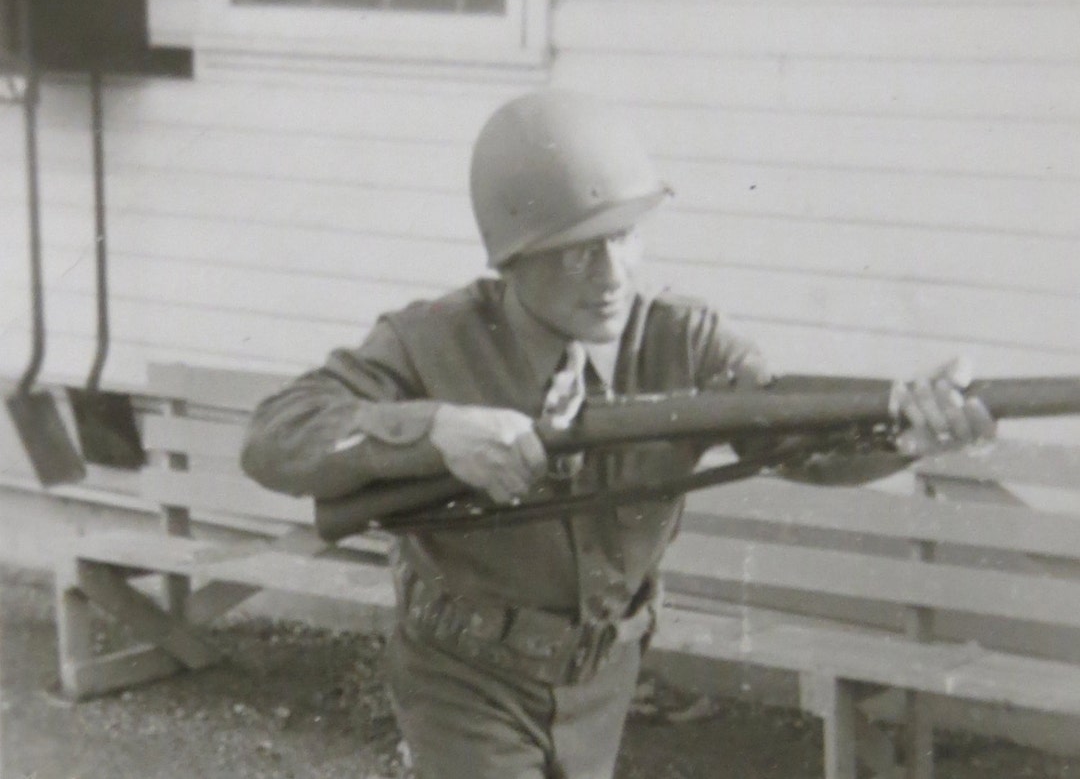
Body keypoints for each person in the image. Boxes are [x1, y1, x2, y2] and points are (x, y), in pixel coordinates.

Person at [240, 89, 996, 779]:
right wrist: (437, 430)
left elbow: (785, 434)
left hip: (600, 682)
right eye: (579, 249)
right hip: (463, 680)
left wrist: (909, 431)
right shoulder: (434, 340)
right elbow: (276, 434)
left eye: (625, 236)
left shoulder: (682, 340)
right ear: (513, 258)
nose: (612, 274)